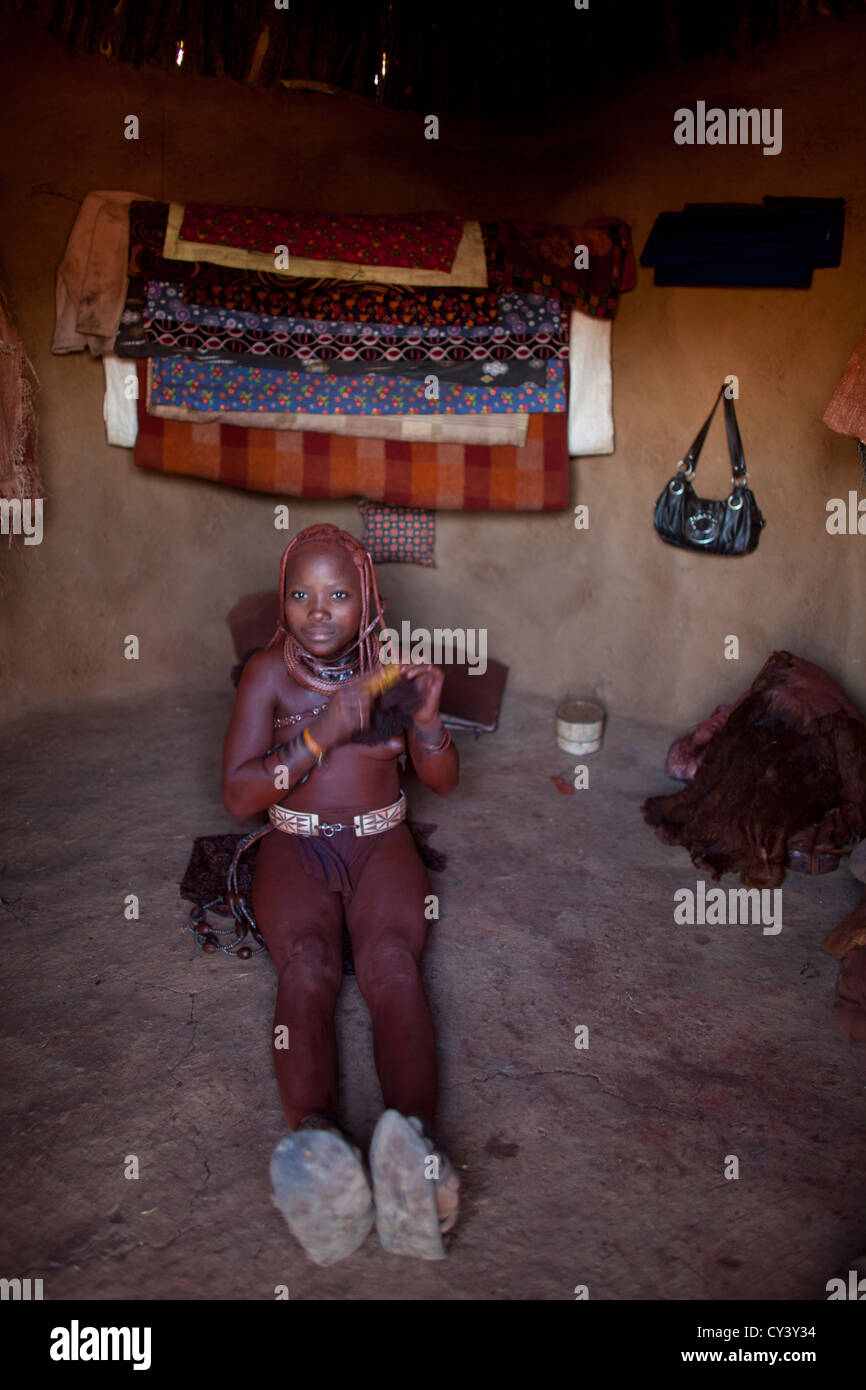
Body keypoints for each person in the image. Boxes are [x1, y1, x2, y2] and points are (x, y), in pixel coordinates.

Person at [221, 523, 460, 1265]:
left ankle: (413, 1158)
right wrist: (323, 731)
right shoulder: (267, 674)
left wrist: (426, 725)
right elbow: (236, 796)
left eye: (336, 595)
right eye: (300, 594)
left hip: (382, 837)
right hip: (294, 840)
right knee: (311, 966)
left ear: (366, 602)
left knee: (392, 963)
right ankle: (317, 1148)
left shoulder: (389, 672)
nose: (317, 611)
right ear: (283, 602)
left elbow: (443, 780)